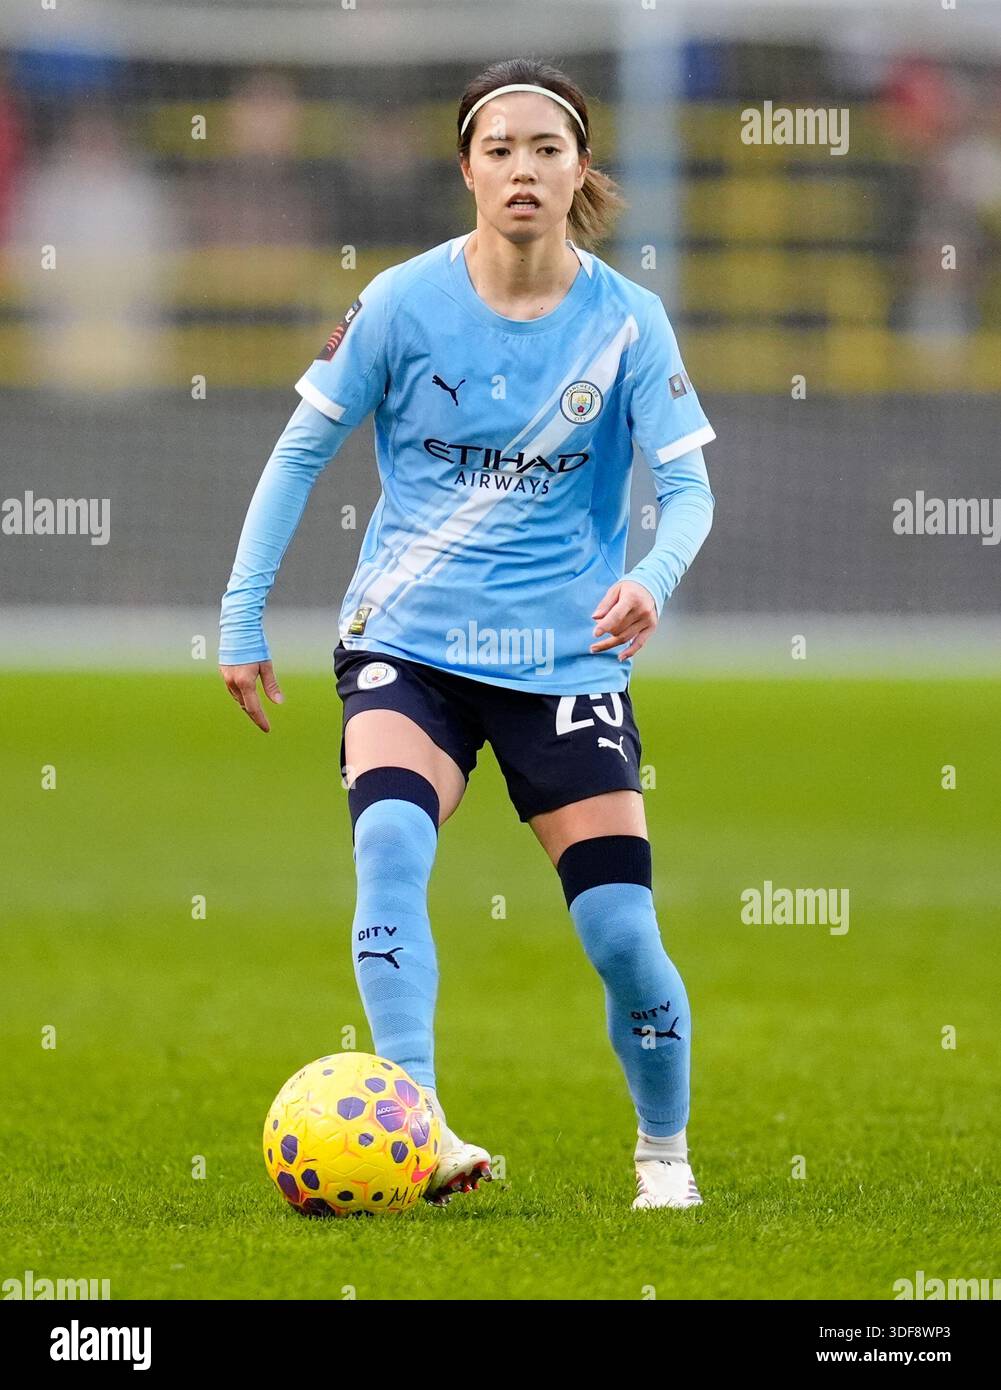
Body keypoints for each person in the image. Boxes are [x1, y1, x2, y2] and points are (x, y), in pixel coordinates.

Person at [219, 58, 716, 1211]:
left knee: (622, 934)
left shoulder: (627, 322)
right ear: (467, 171)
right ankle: (419, 1123)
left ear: (579, 166)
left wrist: (652, 576)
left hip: (562, 661)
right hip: (411, 642)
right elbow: (299, 454)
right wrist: (243, 614)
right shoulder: (400, 302)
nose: (522, 169)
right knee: (388, 844)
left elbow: (686, 491)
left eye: (545, 148)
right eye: (499, 150)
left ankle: (663, 1158)